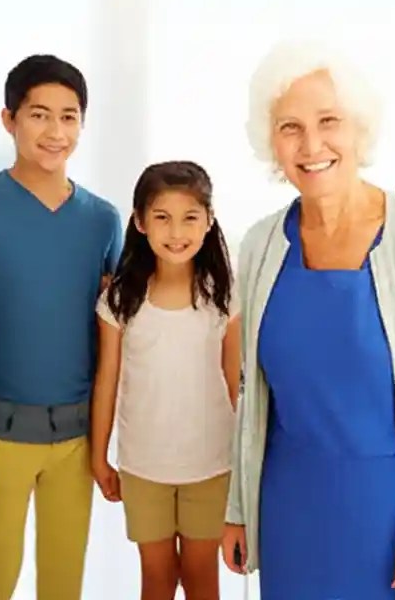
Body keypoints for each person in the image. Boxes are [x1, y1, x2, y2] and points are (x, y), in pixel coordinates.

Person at [221, 40, 395, 600]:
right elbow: (254, 395)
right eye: (290, 127)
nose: (311, 144)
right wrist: (240, 506)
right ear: (271, 142)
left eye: (329, 121)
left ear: (359, 128)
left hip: (390, 515)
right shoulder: (262, 242)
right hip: (290, 512)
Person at [0, 55, 123, 600]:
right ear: (8, 119)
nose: (55, 131)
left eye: (69, 117)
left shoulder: (103, 220)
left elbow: (113, 331)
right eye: (40, 115)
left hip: (75, 434)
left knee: (64, 578)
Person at [90, 161, 241, 600]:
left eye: (190, 217)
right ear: (139, 222)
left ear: (209, 221)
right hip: (143, 468)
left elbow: (234, 384)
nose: (177, 231)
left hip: (211, 465)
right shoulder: (119, 301)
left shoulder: (225, 298)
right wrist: (100, 457)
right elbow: (107, 381)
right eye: (162, 217)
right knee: (156, 579)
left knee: (200, 578)